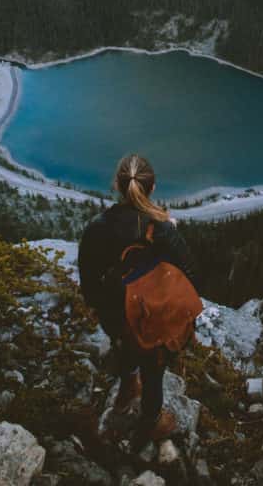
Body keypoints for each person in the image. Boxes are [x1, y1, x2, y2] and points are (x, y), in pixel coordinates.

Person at [77, 154, 197, 444]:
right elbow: (189, 272)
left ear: (117, 186)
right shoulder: (164, 231)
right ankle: (150, 423)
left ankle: (129, 384)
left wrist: (105, 310)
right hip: (154, 316)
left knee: (124, 342)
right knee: (153, 368)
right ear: (152, 188)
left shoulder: (96, 228)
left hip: (115, 316)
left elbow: (89, 283)